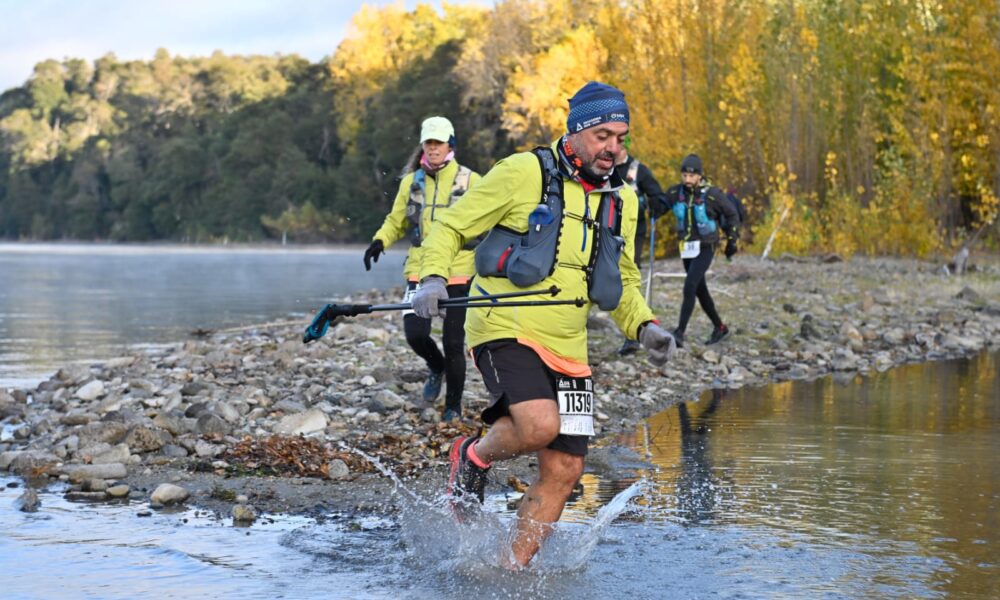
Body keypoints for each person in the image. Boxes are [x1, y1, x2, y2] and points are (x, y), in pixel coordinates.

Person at [410, 81, 677, 568]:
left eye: (621, 138)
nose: (613, 148)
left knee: (566, 466)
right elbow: (451, 226)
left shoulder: (624, 202)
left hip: (569, 344)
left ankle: (512, 570)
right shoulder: (522, 172)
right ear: (574, 133)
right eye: (602, 135)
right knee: (537, 425)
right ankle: (471, 457)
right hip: (504, 325)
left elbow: (625, 282)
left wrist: (645, 327)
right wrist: (431, 277)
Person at [363, 116, 482, 422]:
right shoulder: (410, 182)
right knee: (415, 334)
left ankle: (453, 407)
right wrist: (379, 241)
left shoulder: (472, 181)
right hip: (419, 270)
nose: (433, 148)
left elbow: (491, 218)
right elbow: (396, 221)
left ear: (450, 144)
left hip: (459, 270)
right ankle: (436, 367)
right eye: (428, 143)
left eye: (438, 143)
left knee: (454, 342)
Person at [663, 153, 740, 348]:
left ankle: (680, 332)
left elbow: (732, 214)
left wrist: (732, 240)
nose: (687, 180)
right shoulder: (675, 193)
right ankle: (720, 327)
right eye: (684, 176)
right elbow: (659, 204)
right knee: (700, 290)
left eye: (691, 176)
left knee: (690, 285)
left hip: (706, 246)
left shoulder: (712, 194)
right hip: (687, 248)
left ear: (699, 176)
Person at [614, 138, 668, 356]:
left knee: (628, 275)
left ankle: (633, 336)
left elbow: (660, 198)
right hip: (607, 227)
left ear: (624, 145)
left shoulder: (638, 170)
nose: (611, 148)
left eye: (617, 143)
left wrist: (650, 204)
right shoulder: (601, 165)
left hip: (634, 230)